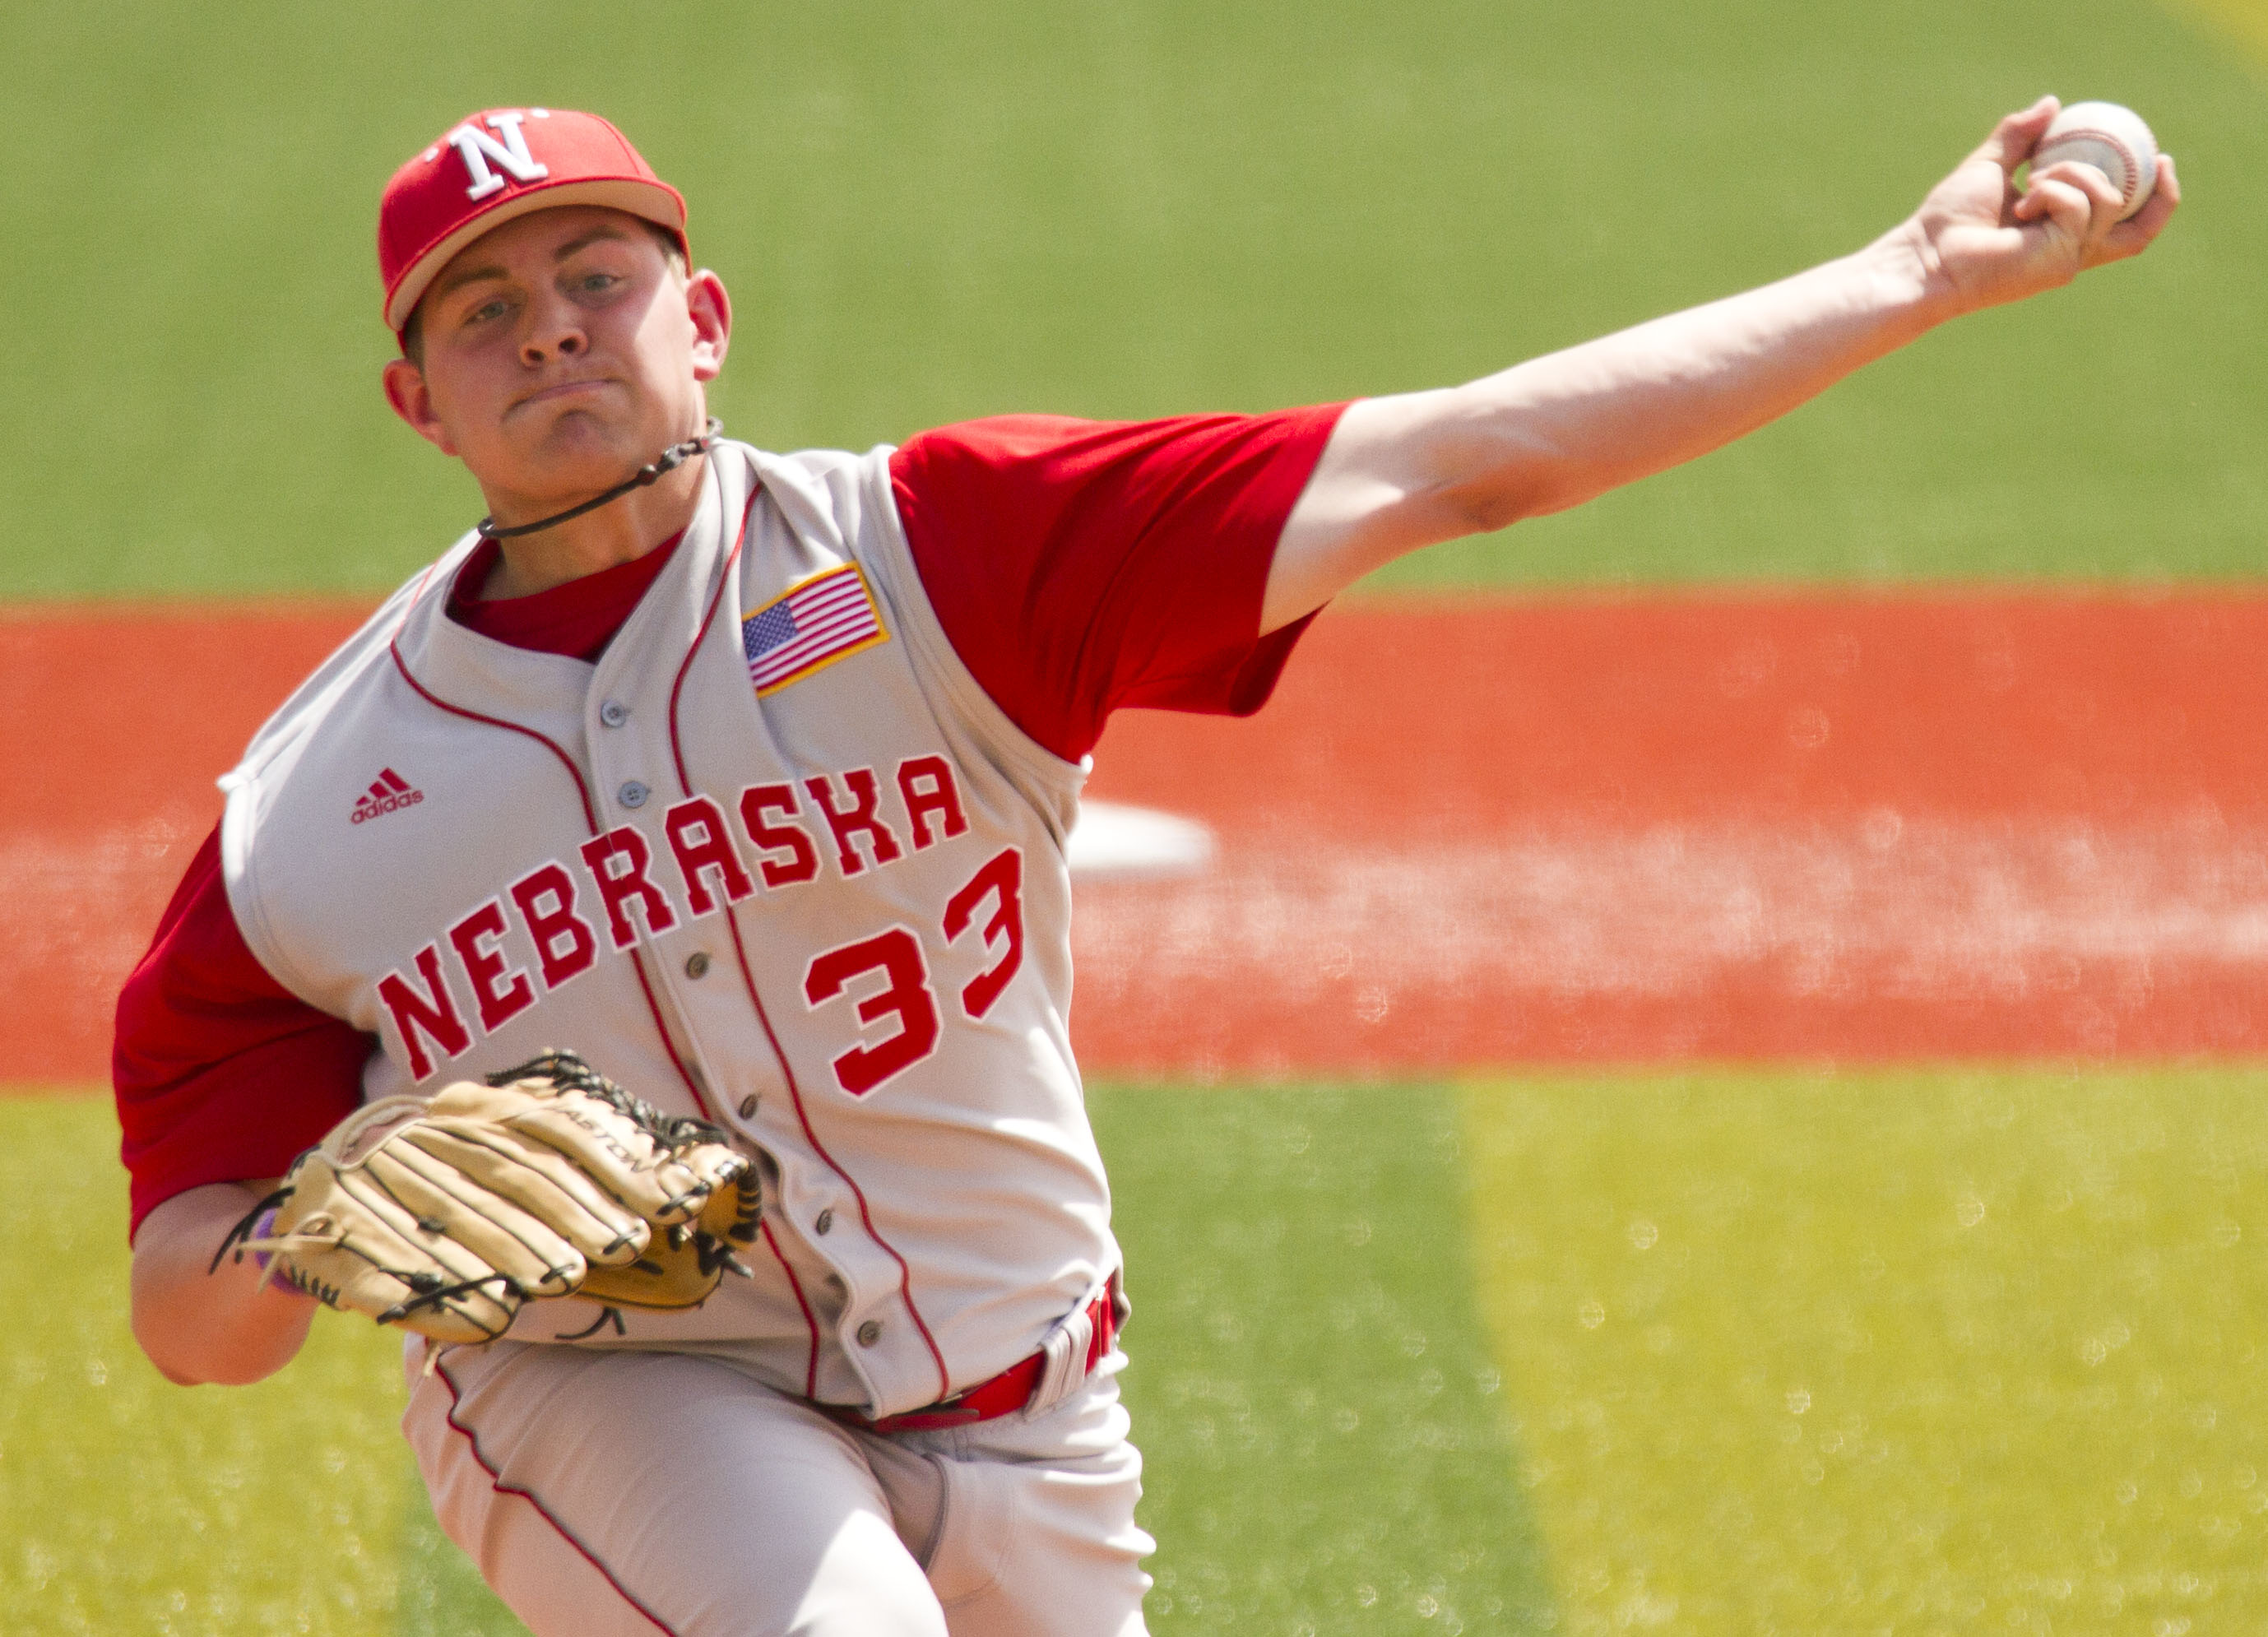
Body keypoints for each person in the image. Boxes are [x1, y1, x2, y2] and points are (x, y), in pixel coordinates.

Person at [115, 101, 2176, 1636]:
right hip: (622, 1397)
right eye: (483, 310)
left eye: (595, 277)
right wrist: (294, 1240)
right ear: (417, 401)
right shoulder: (312, 810)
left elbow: (1462, 458)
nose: (550, 331)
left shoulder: (942, 557)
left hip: (1035, 1406)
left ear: (704, 318)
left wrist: (1910, 272)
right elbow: (191, 1315)